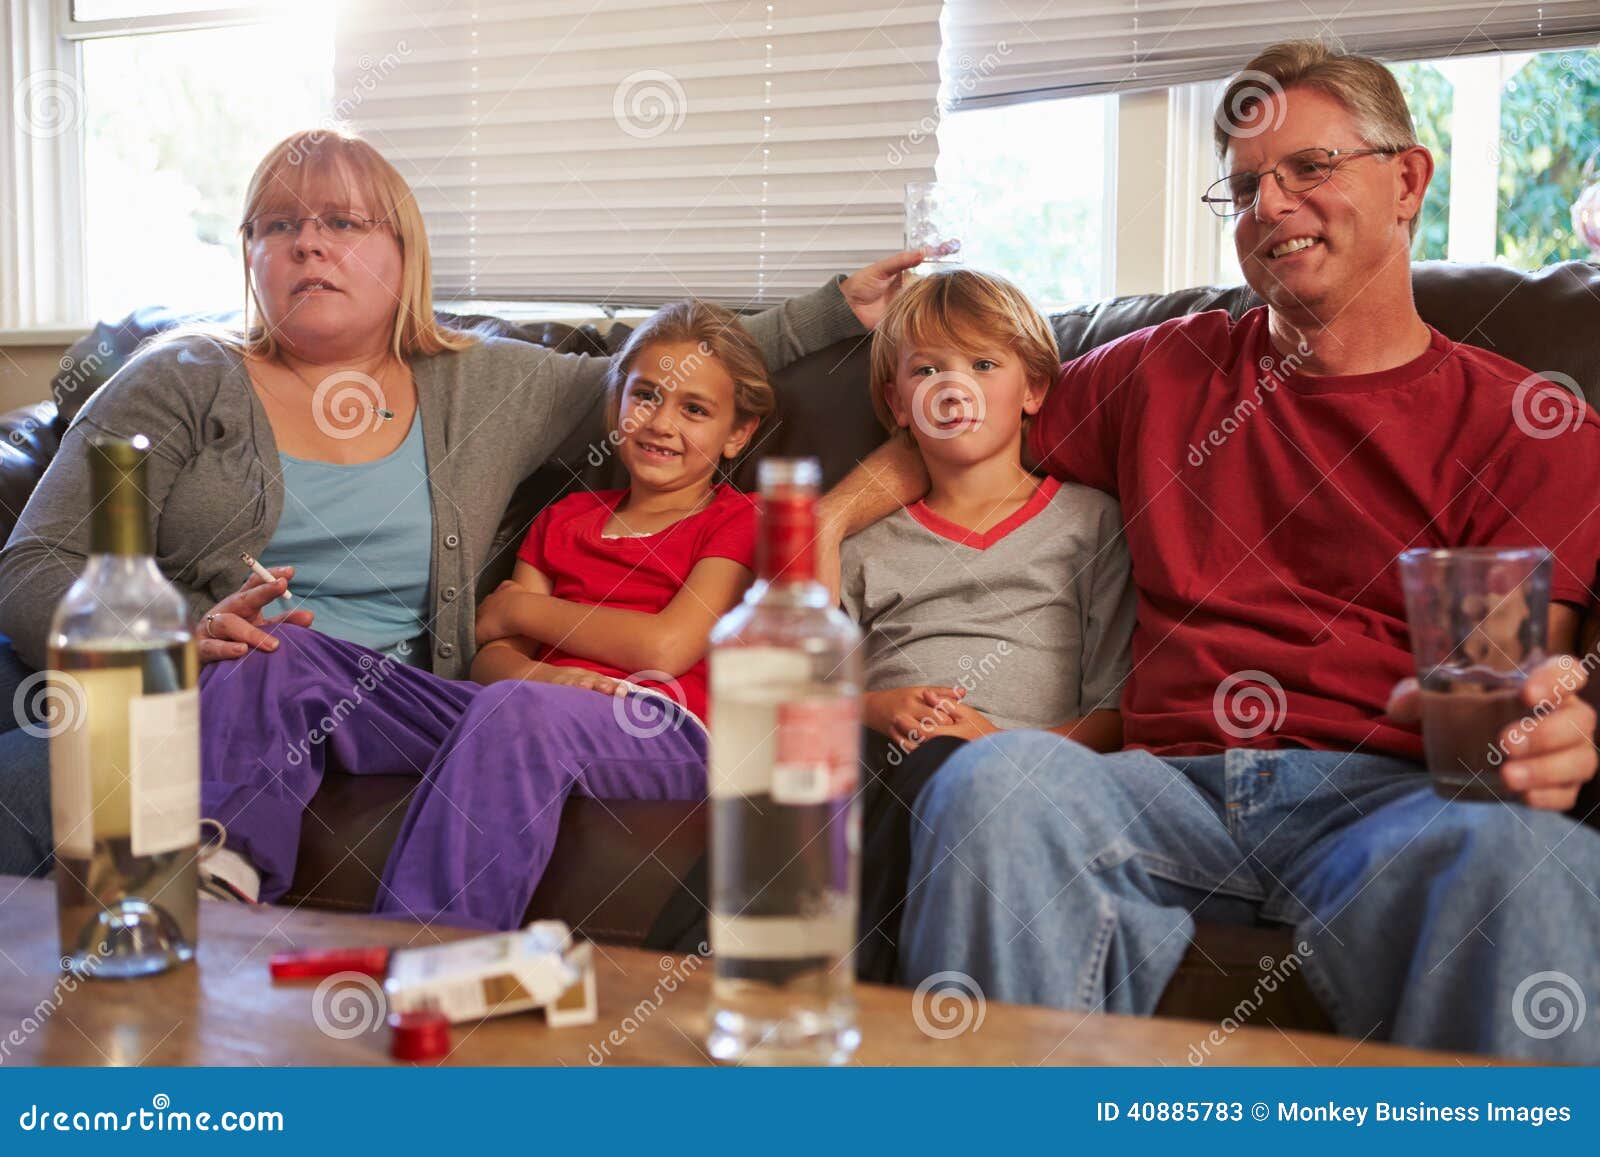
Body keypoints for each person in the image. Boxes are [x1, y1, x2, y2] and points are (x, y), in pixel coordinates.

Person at [819, 41, 1600, 1059]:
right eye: (1242, 186)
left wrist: (1526, 729)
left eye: (1307, 168)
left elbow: (1514, 685)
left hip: (1392, 798)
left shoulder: (1524, 425)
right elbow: (966, 417)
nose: (1268, 205)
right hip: (1160, 783)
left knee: (1527, 860)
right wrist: (826, 518)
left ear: (1406, 178)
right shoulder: (1161, 369)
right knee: (995, 782)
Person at [0, 127, 918, 883]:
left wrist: (834, 310)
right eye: (278, 224)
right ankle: (212, 895)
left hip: (406, 703)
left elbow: (665, 371)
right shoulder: (176, 379)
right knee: (46, 776)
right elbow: (33, 567)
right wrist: (171, 639)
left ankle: (403, 986)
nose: (307, 241)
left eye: (341, 222)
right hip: (206, 693)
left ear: (404, 252)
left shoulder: (479, 384)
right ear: (250, 254)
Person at [198, 300, 770, 928]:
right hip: (520, 713)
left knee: (515, 711)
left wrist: (524, 609)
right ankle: (221, 877)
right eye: (646, 397)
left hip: (658, 724)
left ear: (738, 433)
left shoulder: (739, 519)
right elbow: (490, 654)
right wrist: (547, 678)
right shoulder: (564, 518)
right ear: (617, 404)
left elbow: (664, 647)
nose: (662, 423)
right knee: (281, 651)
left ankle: (429, 950)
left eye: (694, 409)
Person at [838, 269, 1135, 979]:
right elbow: (803, 699)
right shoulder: (865, 547)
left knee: (950, 761)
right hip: (873, 761)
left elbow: (1115, 715)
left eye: (982, 364)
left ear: (1033, 389)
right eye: (928, 369)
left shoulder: (1091, 524)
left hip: (1019, 772)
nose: (954, 386)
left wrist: (999, 743)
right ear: (899, 403)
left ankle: (846, 1010)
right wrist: (876, 708)